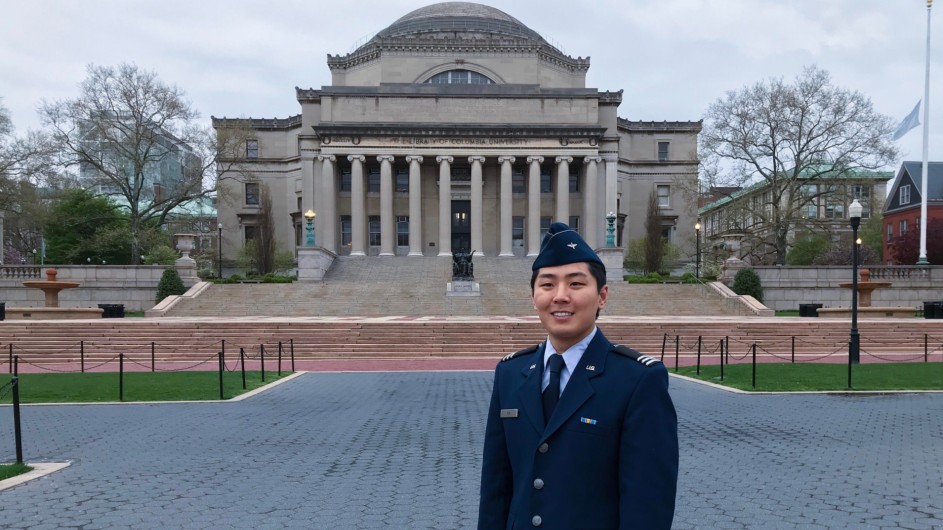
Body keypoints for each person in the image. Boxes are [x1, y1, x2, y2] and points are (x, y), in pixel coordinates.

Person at [478, 222, 678, 529]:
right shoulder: (511, 373)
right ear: (533, 297)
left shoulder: (637, 381)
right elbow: (495, 489)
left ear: (602, 296)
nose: (559, 296)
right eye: (547, 284)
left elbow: (647, 506)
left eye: (575, 284)